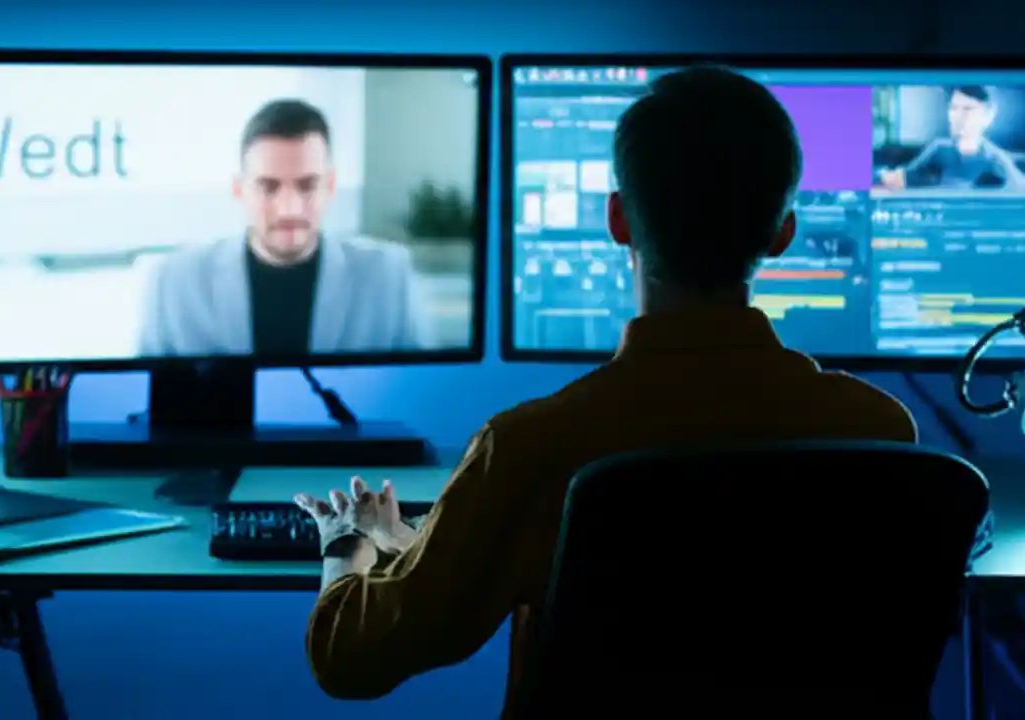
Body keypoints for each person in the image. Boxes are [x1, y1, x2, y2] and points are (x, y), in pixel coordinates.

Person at [293, 65, 919, 717]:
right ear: (783, 232)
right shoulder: (880, 433)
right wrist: (431, 542)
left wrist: (350, 543)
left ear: (617, 220)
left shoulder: (532, 449)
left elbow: (349, 660)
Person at [137, 99, 426, 357]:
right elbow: (142, 404)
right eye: (268, 187)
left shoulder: (389, 276)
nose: (289, 208)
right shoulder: (174, 282)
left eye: (307, 185)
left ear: (331, 185)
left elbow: (419, 395)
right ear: (239, 189)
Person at [878, 85, 1025, 191]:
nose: (958, 117)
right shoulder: (939, 149)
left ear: (988, 116)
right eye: (953, 108)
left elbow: (1024, 189)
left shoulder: (996, 160)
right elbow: (904, 178)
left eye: (968, 109)